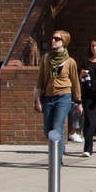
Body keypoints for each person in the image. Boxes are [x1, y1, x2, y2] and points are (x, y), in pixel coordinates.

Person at [34, 30, 81, 164]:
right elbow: (40, 80)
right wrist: (37, 99)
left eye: (57, 39)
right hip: (48, 97)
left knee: (57, 128)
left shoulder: (70, 61)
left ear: (64, 42)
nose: (53, 41)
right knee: (48, 130)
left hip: (63, 97)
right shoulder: (46, 58)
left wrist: (79, 101)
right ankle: (61, 148)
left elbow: (75, 82)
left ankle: (56, 161)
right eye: (52, 38)